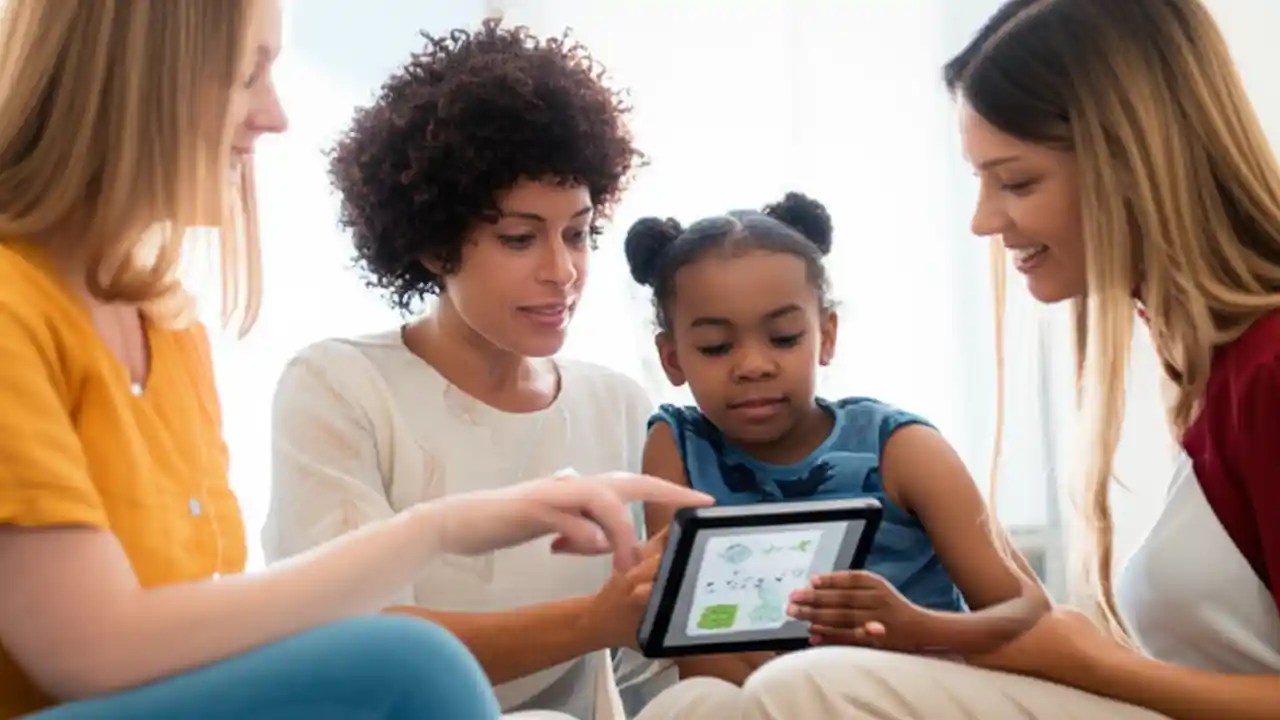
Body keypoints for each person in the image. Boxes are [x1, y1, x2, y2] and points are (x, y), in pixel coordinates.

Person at [0, 2, 710, 718]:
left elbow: (203, 616)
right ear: (133, 80)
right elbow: (91, 651)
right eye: (247, 75)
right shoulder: (15, 309)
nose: (274, 115)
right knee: (409, 665)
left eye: (579, 234)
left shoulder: (170, 326)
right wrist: (438, 529)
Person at [637, 0, 1280, 717]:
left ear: (1132, 164)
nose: (982, 220)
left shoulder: (1269, 370)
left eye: (1017, 181)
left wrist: (1095, 662)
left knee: (802, 687)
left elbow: (1020, 613)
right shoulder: (1216, 372)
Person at [263, 19, 674, 720]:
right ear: (432, 243)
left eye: (577, 233)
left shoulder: (620, 405)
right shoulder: (338, 387)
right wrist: (593, 621)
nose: (562, 271)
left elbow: (653, 662)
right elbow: (369, 654)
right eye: (519, 238)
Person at [621, 192, 1048, 687]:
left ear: (826, 335)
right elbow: (695, 646)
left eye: (784, 337)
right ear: (672, 358)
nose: (754, 365)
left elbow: (1029, 609)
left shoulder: (899, 448)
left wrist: (915, 626)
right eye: (716, 347)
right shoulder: (676, 445)